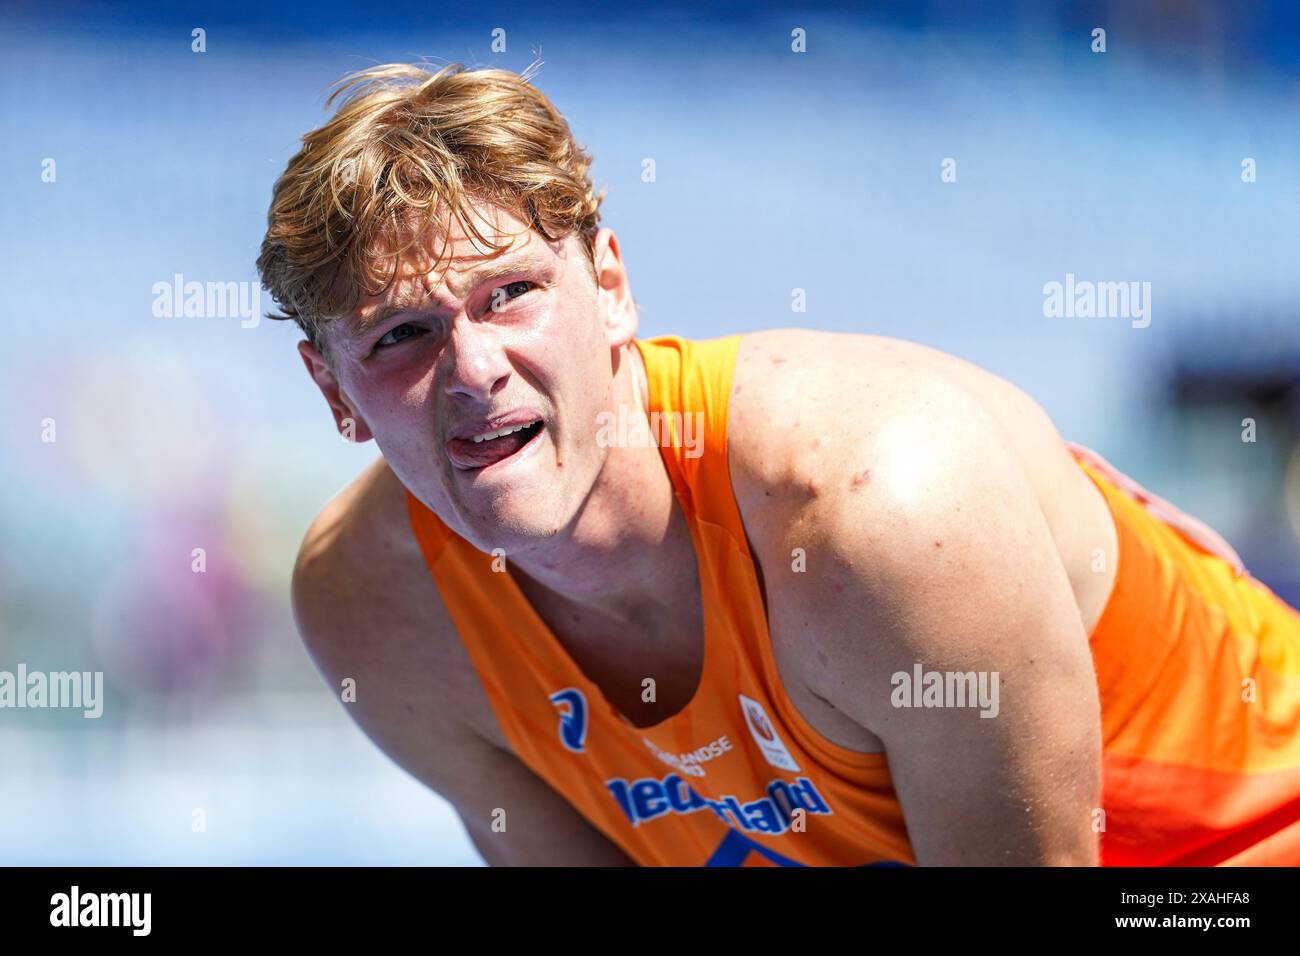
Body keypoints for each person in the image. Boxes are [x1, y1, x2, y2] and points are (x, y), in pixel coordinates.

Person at [256, 61, 1300, 866]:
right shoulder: (377, 611)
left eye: (510, 294)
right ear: (332, 388)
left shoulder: (870, 510)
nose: (474, 369)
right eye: (400, 336)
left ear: (610, 287)